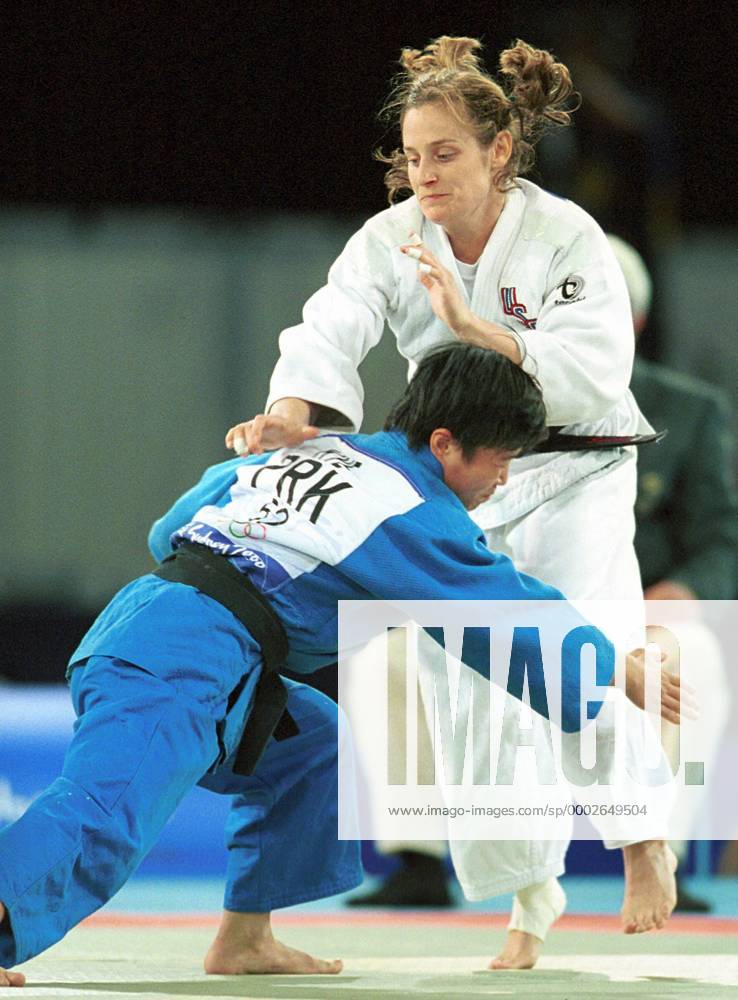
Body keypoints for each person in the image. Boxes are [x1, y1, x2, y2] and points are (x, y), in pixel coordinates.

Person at [0, 346, 687, 988]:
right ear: (445, 444)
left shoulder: (316, 449)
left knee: (309, 743)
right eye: (501, 460)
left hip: (173, 628)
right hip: (180, 657)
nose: (504, 478)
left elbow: (167, 531)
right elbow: (505, 609)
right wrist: (612, 666)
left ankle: (245, 938)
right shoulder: (412, 509)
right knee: (105, 812)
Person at [226, 35, 665, 969]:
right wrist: (291, 410)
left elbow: (596, 372)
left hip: (577, 468)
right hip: (464, 480)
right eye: (412, 155)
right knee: (468, 676)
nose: (423, 173)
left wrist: (478, 331)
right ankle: (531, 898)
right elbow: (332, 323)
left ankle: (641, 841)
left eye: (445, 153)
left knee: (579, 641)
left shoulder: (564, 236)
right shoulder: (390, 239)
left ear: (499, 150)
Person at [609, 233, 738, 911]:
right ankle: (416, 860)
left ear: (633, 321)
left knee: (691, 652)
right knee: (396, 648)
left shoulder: (690, 411)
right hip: (526, 608)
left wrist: (683, 592)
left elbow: (723, 540)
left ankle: (663, 855)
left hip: (639, 618)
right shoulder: (497, 401)